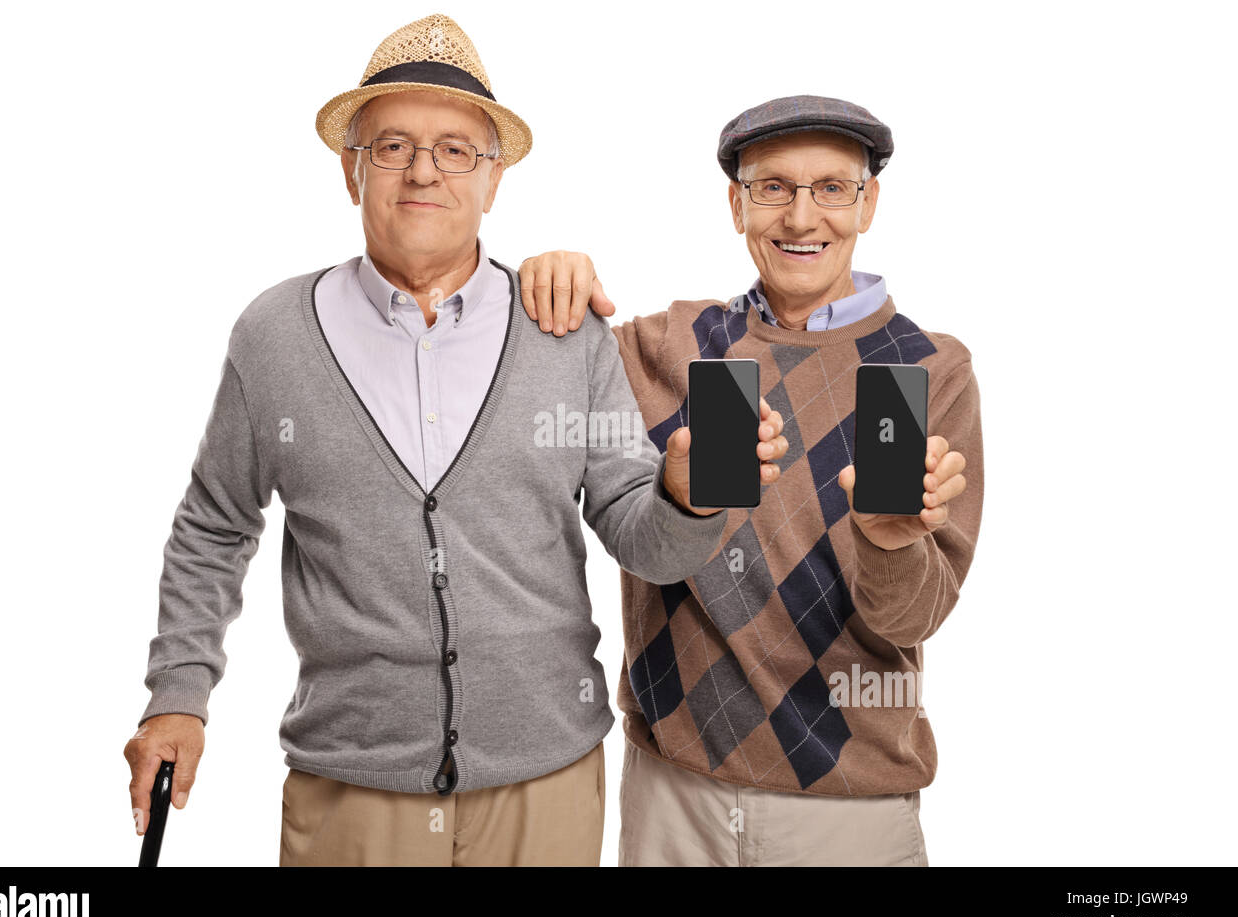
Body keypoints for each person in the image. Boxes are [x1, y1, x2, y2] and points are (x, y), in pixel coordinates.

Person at [122, 14, 789, 867]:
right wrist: (176, 696)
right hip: (351, 789)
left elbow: (639, 535)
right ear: (350, 169)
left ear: (494, 177)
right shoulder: (273, 336)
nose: (423, 171)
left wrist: (683, 497)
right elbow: (215, 527)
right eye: (393, 146)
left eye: (454, 149)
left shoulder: (566, 330)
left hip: (545, 784)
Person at [520, 94, 984, 866]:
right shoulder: (666, 344)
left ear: (868, 204)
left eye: (832, 188)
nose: (803, 218)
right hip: (674, 796)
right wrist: (546, 275)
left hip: (851, 811)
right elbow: (527, 378)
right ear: (737, 205)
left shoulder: (930, 367)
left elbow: (914, 617)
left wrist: (890, 544)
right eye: (773, 188)